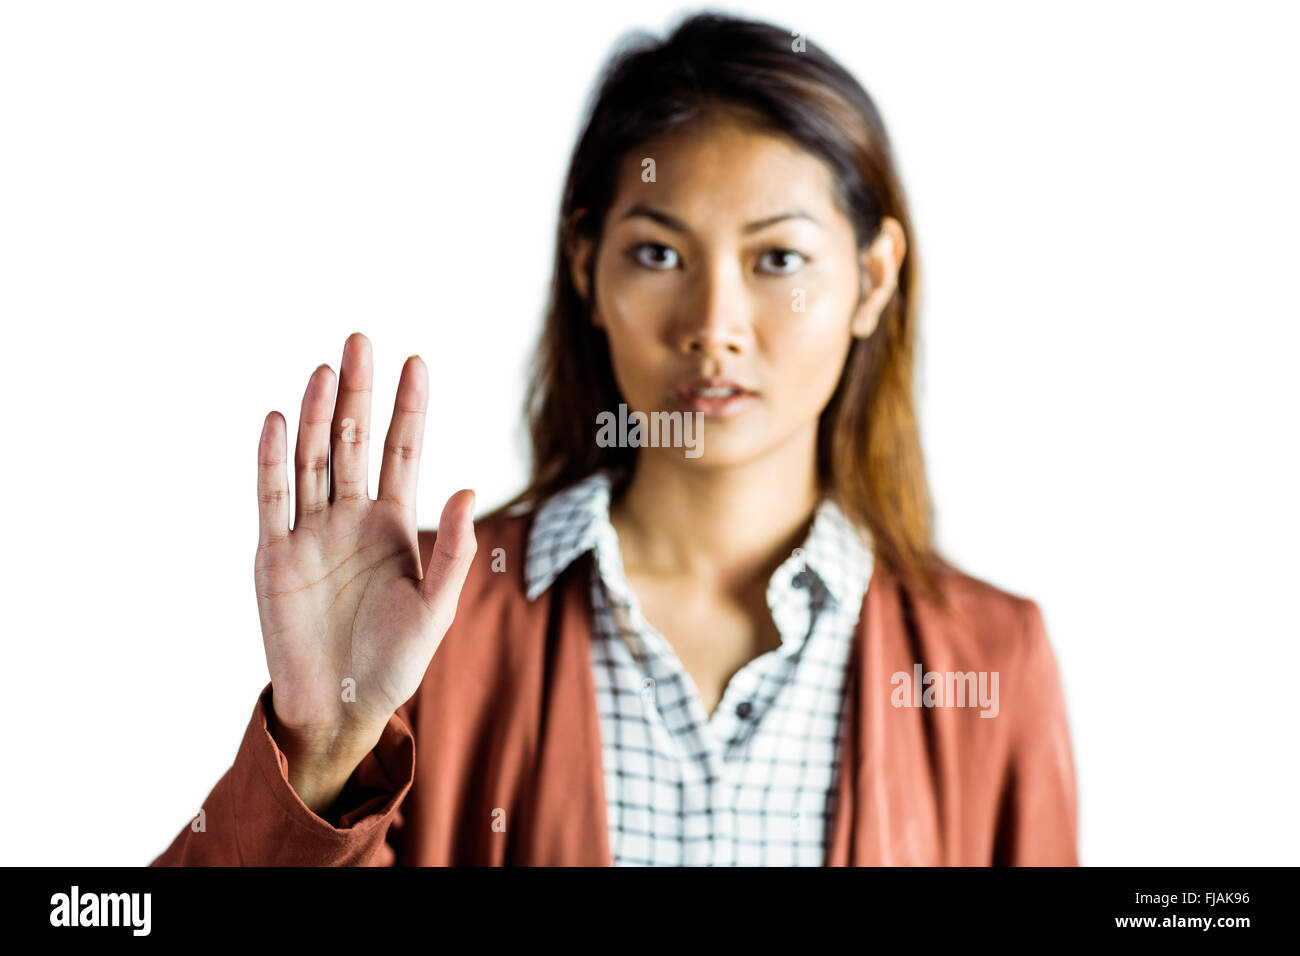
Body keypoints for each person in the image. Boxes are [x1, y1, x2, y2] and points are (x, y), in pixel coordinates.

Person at [153, 11, 1078, 867]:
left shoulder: (993, 660)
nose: (714, 324)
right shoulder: (422, 623)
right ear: (586, 267)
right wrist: (323, 748)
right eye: (659, 253)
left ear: (872, 280)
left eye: (779, 259)